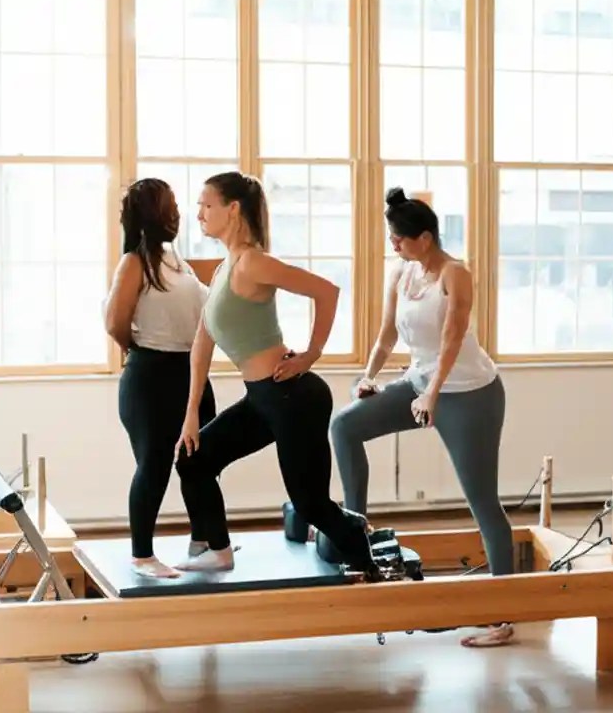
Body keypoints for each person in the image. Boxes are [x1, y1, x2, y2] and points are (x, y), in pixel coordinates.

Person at [328, 186, 513, 647]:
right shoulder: (402, 272)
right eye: (392, 238)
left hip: (469, 393)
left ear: (425, 237)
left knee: (482, 502)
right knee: (344, 425)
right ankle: (357, 537)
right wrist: (368, 377)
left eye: (400, 239)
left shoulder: (456, 275)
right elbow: (387, 334)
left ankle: (504, 615)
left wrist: (432, 395)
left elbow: (452, 339)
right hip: (419, 384)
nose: (394, 245)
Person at [172, 171, 377, 578]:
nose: (198, 214)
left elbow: (326, 291)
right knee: (193, 459)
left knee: (311, 505)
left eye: (206, 205)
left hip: (293, 397)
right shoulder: (223, 269)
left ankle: (369, 571)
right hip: (262, 400)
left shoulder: (254, 262)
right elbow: (202, 343)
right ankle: (219, 550)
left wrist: (311, 354)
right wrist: (191, 412)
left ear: (232, 209)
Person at [104, 178, 218, 579]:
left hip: (190, 372)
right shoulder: (135, 262)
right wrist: (141, 351)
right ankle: (142, 555)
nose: (179, 213)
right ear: (153, 214)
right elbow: (115, 323)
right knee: (154, 465)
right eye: (171, 206)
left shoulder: (175, 260)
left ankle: (203, 542)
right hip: (150, 375)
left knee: (200, 461)